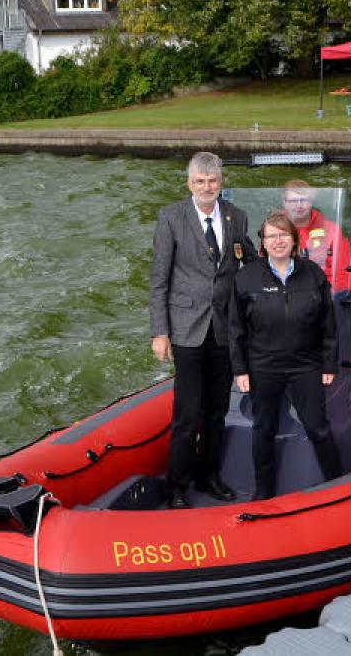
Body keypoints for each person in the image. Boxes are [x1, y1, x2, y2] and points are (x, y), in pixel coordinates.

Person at [149, 151, 257, 509]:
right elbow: (159, 281)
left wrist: (290, 263)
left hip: (225, 328)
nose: (207, 187)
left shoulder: (236, 216)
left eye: (212, 181)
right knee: (187, 413)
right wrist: (160, 332)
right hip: (186, 329)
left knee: (216, 410)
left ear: (220, 183)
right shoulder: (170, 218)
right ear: (189, 184)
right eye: (200, 182)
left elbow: (250, 261)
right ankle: (176, 487)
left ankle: (209, 476)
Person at [229, 210, 343, 500]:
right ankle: (263, 492)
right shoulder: (246, 278)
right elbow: (236, 328)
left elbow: (327, 324)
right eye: (271, 236)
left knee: (318, 428)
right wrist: (240, 370)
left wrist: (329, 362)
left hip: (305, 365)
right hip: (262, 366)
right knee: (263, 429)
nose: (278, 241)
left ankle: (338, 485)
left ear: (294, 240)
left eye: (284, 235)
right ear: (263, 244)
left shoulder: (313, 274)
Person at [281, 179, 351, 294]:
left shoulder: (332, 230)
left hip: (325, 295)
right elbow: (264, 269)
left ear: (311, 202)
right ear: (284, 202)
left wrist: (328, 294)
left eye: (304, 200)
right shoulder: (273, 231)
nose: (299, 205)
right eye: (293, 201)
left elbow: (346, 272)